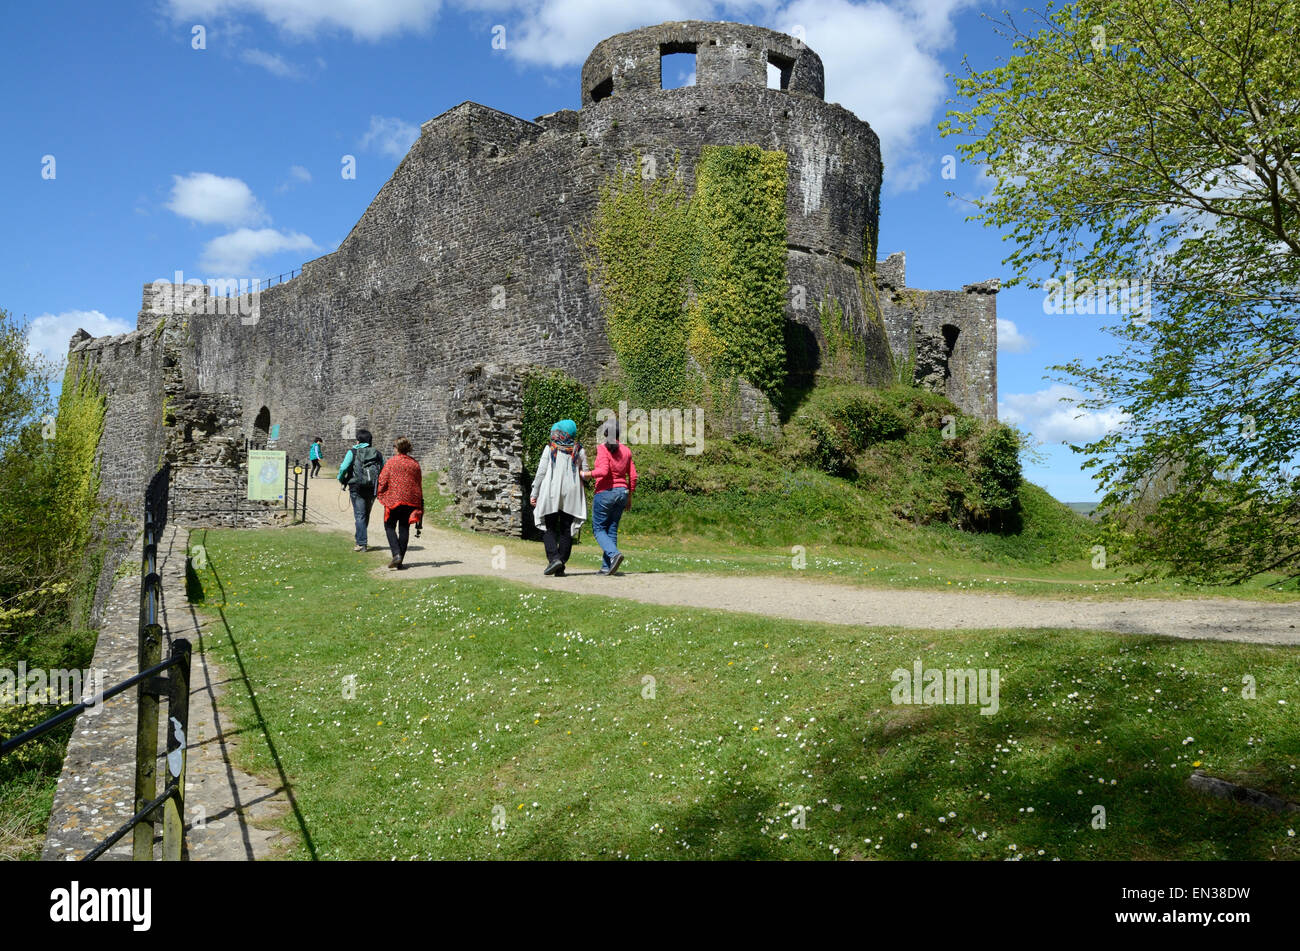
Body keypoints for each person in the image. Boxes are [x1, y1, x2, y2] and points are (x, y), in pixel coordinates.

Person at [529, 419, 589, 576]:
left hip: (551, 491)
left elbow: (541, 472)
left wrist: (534, 492)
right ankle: (560, 564)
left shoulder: (550, 449)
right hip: (572, 493)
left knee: (548, 526)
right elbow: (586, 475)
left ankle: (555, 559)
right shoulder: (579, 450)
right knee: (565, 529)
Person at [582, 418, 636, 575]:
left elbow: (603, 471)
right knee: (611, 529)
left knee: (598, 529)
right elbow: (633, 477)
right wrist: (629, 497)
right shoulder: (627, 450)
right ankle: (607, 567)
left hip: (605, 492)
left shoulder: (603, 448)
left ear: (605, 433)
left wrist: (586, 474)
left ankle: (614, 555)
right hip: (622, 493)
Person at [376, 437, 424, 569]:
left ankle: (396, 554)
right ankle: (400, 561)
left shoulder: (391, 462)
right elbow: (418, 483)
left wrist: (380, 492)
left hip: (394, 500)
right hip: (411, 500)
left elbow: (383, 479)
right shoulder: (415, 464)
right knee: (404, 528)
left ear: (397, 448)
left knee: (389, 526)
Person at [337, 428, 384, 552]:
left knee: (359, 515)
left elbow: (343, 468)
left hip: (356, 487)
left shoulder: (353, 452)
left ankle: (361, 543)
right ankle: (360, 539)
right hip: (372, 488)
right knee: (365, 514)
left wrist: (341, 479)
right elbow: (383, 470)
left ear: (358, 440)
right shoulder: (377, 453)